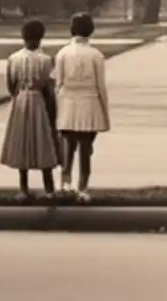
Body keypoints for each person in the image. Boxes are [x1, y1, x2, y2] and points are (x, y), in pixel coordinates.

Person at [0, 20, 60, 202]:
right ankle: (49, 188)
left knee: (22, 141)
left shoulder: (14, 59)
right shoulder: (46, 60)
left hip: (20, 100)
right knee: (43, 142)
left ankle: (23, 188)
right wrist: (52, 112)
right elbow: (49, 88)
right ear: (40, 38)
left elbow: (10, 86)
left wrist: (18, 96)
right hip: (38, 101)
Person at [55, 12, 110, 203]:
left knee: (67, 147)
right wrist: (105, 112)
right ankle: (83, 187)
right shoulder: (96, 55)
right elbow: (101, 86)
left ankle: (65, 183)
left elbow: (58, 83)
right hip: (89, 103)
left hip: (68, 103)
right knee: (86, 149)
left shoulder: (62, 53)